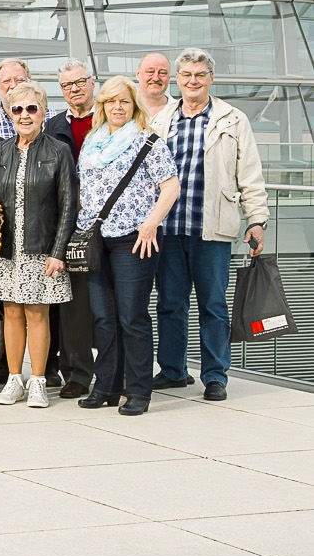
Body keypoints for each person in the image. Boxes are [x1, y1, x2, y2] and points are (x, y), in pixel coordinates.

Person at [154, 48, 268, 402]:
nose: (192, 81)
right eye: (186, 74)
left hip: (213, 228)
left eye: (199, 75)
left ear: (211, 78)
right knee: (170, 304)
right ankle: (173, 371)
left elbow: (250, 174)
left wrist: (257, 219)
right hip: (168, 229)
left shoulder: (233, 119)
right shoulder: (162, 119)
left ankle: (215, 375)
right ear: (177, 79)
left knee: (213, 305)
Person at [76, 77, 180, 416]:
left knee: (132, 317)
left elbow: (170, 186)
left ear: (134, 105)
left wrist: (151, 222)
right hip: (96, 239)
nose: (117, 107)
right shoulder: (92, 142)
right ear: (102, 106)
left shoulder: (147, 141)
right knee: (104, 318)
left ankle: (138, 391)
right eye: (110, 101)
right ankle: (105, 386)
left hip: (135, 240)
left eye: (123, 101)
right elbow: (84, 189)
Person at [0, 80, 77, 409]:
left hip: (40, 247)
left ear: (44, 112)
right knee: (10, 312)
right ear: (9, 113)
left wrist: (58, 252)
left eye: (31, 108)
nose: (24, 115)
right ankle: (13, 380)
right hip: (7, 247)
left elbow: (68, 205)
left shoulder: (58, 150)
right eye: (17, 109)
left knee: (36, 314)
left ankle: (38, 382)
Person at [44, 59, 99, 398]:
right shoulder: (53, 126)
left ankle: (111, 369)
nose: (74, 89)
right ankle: (76, 372)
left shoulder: (110, 121)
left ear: (93, 83)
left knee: (109, 303)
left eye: (80, 82)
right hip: (68, 224)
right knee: (73, 303)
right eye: (67, 85)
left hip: (108, 223)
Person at [0, 58, 48, 139]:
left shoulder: (51, 118)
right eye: (7, 81)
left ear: (29, 82)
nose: (13, 85)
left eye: (19, 80)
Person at [136, 53, 173, 122]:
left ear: (169, 77)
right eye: (150, 72)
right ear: (138, 74)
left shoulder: (179, 111)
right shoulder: (124, 109)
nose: (156, 78)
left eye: (162, 73)